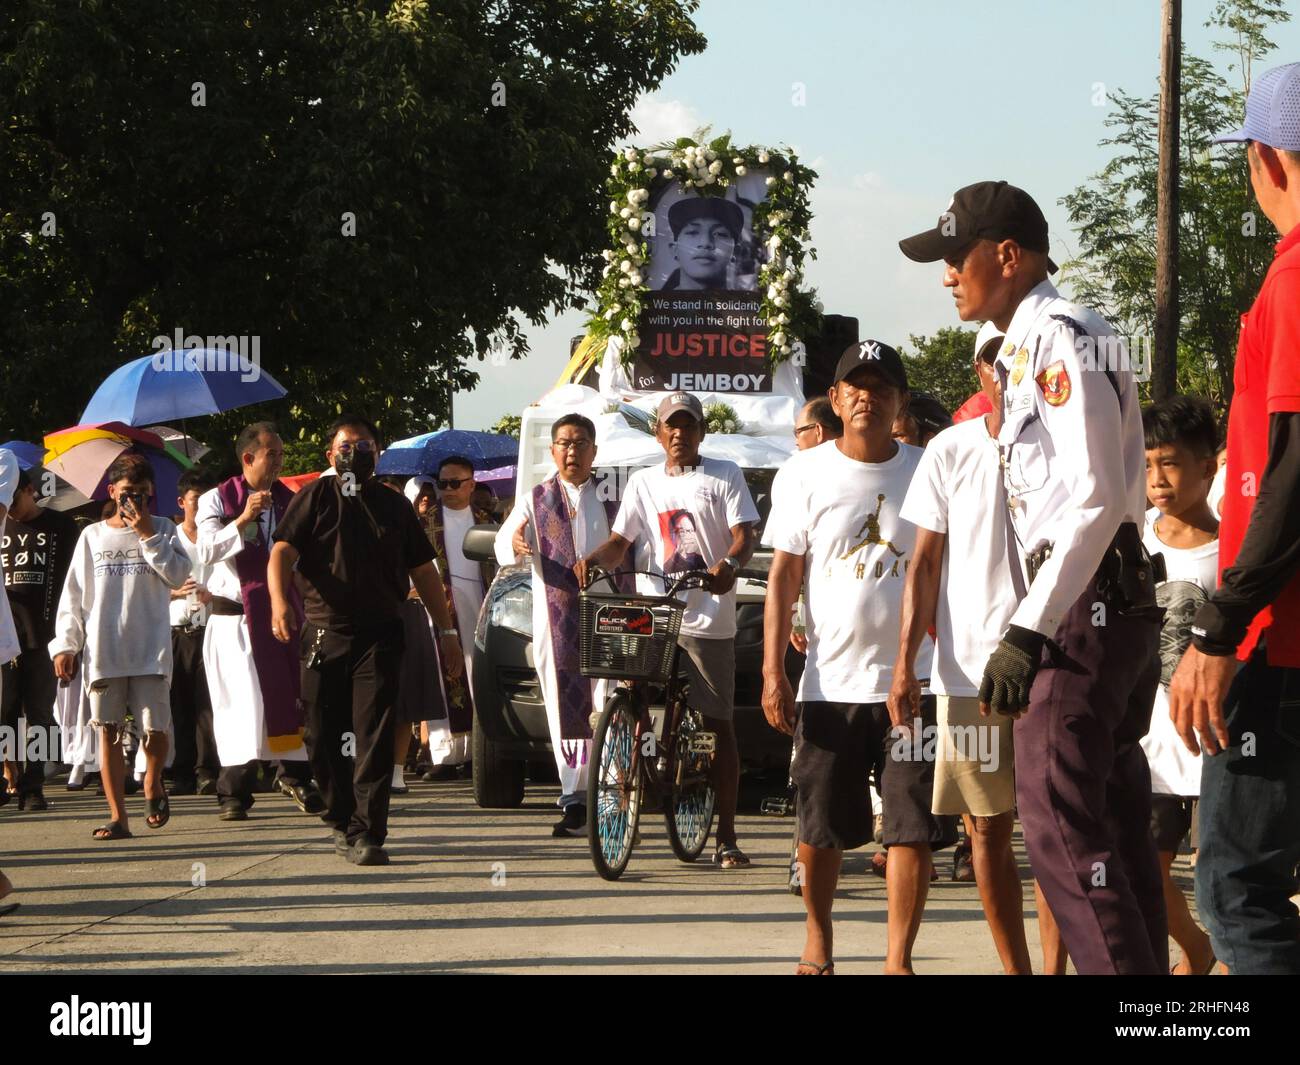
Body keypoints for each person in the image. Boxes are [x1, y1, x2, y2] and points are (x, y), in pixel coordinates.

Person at [901, 180, 1166, 974]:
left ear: (1006, 255)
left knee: (1057, 827)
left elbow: (1090, 497)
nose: (947, 273)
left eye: (956, 256)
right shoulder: (1038, 342)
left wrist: (1029, 626)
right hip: (1099, 604)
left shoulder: (1059, 336)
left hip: (1081, 607)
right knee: (1112, 827)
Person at [763, 340, 956, 975]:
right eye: (856, 387)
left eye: (882, 387)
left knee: (909, 825)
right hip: (828, 683)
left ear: (901, 402)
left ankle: (897, 959)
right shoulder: (804, 473)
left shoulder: (930, 468)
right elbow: (785, 577)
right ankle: (818, 939)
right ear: (837, 399)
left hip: (915, 683)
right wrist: (773, 672)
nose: (868, 397)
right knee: (819, 828)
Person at [1170, 65, 1300, 975]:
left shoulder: (1294, 278)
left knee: (1236, 887)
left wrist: (1220, 625)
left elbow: (1294, 467)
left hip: (1278, 639)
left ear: (1265, 159)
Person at [890, 321, 1042, 974]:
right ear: (980, 370)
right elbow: (923, 564)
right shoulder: (948, 449)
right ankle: (1019, 970)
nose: (1005, 368)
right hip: (966, 675)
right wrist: (904, 666)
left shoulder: (1066, 446)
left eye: (1017, 356)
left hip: (1051, 666)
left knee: (1058, 835)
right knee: (987, 833)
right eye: (993, 359)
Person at [269, 415, 462, 865]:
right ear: (330, 456)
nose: (355, 454)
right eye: (347, 447)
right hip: (323, 634)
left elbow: (423, 570)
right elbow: (282, 551)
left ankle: (366, 832)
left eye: (365, 447)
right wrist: (279, 603)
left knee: (372, 733)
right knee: (322, 736)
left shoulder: (393, 504)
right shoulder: (314, 497)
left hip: (380, 636)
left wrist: (447, 630)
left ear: (378, 454)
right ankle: (340, 813)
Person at [576, 391, 759, 868]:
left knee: (717, 725)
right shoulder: (642, 482)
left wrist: (729, 564)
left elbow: (745, 533)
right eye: (671, 426)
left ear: (701, 431)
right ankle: (635, 769)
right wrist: (593, 560)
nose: (680, 434)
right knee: (629, 690)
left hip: (706, 618)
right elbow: (621, 542)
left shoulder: (725, 474)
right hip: (653, 611)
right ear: (658, 434)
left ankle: (726, 835)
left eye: (688, 425)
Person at [50, 454, 192, 839]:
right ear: (112, 492)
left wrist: (147, 534)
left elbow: (180, 574)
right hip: (105, 652)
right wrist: (66, 644)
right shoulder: (92, 536)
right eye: (127, 493)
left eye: (142, 494)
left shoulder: (163, 528)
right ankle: (118, 817)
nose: (133, 502)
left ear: (152, 495)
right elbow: (74, 596)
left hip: (151, 650)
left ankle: (153, 780)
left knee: (155, 731)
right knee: (108, 733)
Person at [197, 423, 323, 821]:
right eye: (274, 455)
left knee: (286, 694)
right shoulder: (215, 500)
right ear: (248, 457)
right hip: (233, 621)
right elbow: (205, 551)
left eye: (282, 455)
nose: (280, 462)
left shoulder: (291, 499)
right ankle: (233, 791)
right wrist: (243, 519)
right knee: (241, 706)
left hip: (281, 613)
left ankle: (296, 776)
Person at [495, 413, 613, 836]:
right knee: (566, 708)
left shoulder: (612, 496)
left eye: (581, 443)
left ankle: (611, 794)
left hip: (607, 617)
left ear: (594, 451)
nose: (572, 451)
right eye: (564, 442)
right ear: (553, 450)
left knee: (607, 700)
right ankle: (575, 798)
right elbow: (505, 535)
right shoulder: (536, 497)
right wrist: (514, 542)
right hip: (556, 616)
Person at [1140, 396, 1218, 976]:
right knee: (1147, 863)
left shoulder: (1235, 549)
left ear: (1207, 468)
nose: (1157, 480)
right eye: (1146, 465)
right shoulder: (1133, 540)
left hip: (1222, 738)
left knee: (1221, 868)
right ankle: (1195, 947)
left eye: (1169, 463)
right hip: (1149, 742)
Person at [1, 468, 79, 808]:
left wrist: (69, 636)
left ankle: (35, 786)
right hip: (6, 636)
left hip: (44, 635)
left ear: (30, 490)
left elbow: (74, 583)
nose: (10, 508)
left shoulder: (62, 527)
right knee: (4, 715)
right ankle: (9, 777)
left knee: (40, 716)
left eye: (14, 499)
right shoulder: (2, 522)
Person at [420, 456, 495, 774]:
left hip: (478, 603)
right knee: (441, 675)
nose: (447, 489)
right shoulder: (424, 523)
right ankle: (445, 755)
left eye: (455, 483)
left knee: (479, 677)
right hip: (441, 605)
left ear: (471, 484)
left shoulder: (485, 520)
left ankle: (478, 754)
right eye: (443, 483)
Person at [166, 470, 218, 795]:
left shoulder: (218, 537)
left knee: (209, 704)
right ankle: (181, 770)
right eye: (195, 501)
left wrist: (213, 592)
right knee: (179, 704)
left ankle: (207, 769)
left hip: (211, 626)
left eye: (206, 502)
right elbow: (152, 582)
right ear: (181, 502)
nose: (200, 509)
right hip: (177, 628)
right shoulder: (168, 539)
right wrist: (173, 591)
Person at [661, 197, 745, 291]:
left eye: (719, 234)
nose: (705, 243)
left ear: (735, 252)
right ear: (674, 249)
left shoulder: (745, 304)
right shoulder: (654, 303)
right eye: (692, 232)